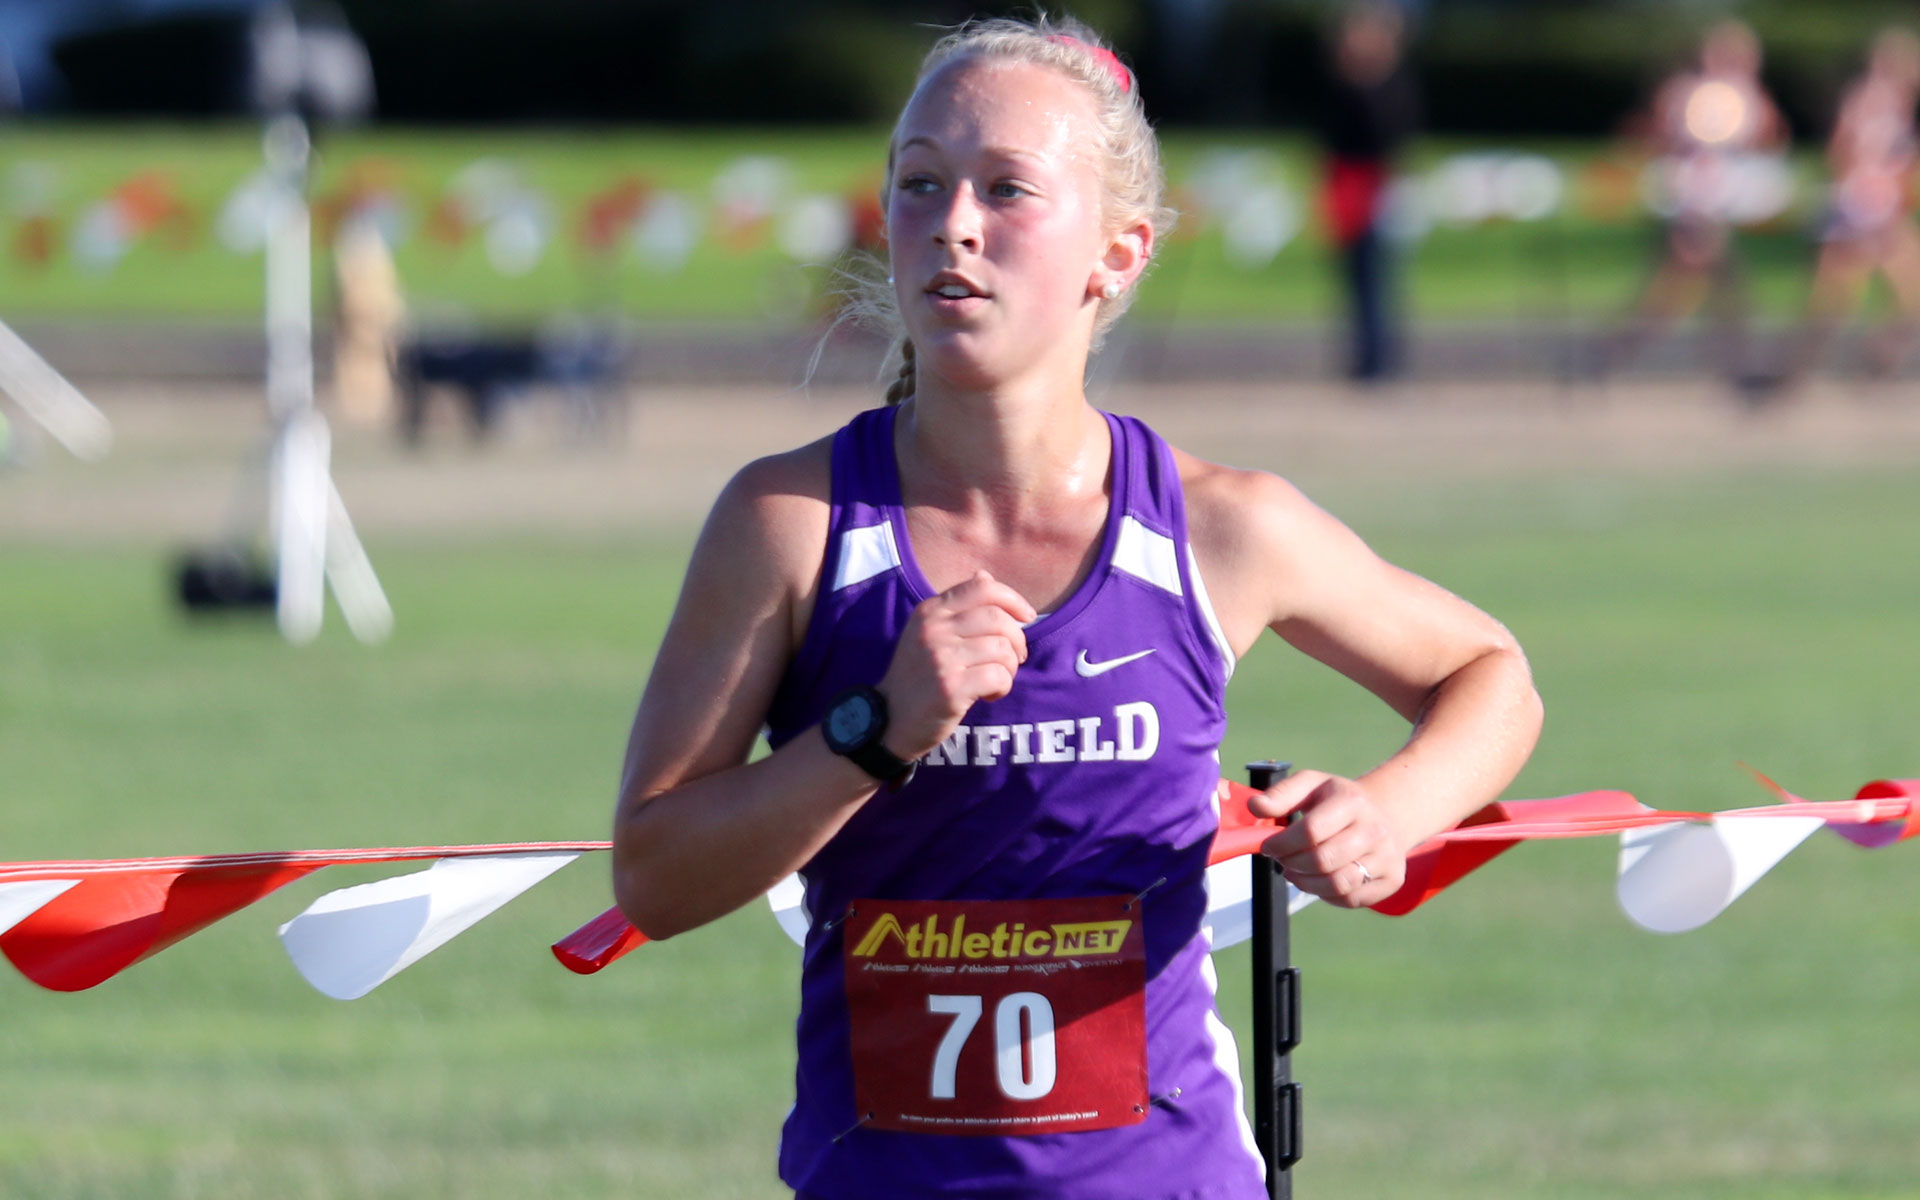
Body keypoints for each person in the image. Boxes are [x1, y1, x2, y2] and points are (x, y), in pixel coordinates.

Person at [610, 17, 1542, 1199]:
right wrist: (873, 732)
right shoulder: (789, 521)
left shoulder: (1219, 527)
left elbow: (1492, 676)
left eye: (1006, 190)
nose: (952, 222)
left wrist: (1388, 816)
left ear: (1118, 253)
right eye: (919, 183)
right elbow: (654, 874)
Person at [1594, 20, 1789, 385]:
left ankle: (1737, 367)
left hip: (1718, 203)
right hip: (1692, 203)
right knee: (1691, 290)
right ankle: (1610, 354)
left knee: (1706, 287)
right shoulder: (1687, 93)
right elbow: (1662, 137)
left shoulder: (1745, 96)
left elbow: (1769, 138)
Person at [1777, 28, 1920, 384]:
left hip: (1881, 211)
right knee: (1836, 298)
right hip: (1862, 212)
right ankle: (1798, 370)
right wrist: (1867, 207)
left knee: (1892, 293)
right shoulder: (1872, 102)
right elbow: (1843, 155)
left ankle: (1873, 358)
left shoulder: (1897, 104)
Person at [1316, 2, 1420, 384]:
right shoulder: (1343, 85)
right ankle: (1365, 356)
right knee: (1355, 276)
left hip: (1375, 188)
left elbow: (1390, 138)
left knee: (1377, 274)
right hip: (1347, 186)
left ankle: (1380, 360)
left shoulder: (1389, 86)